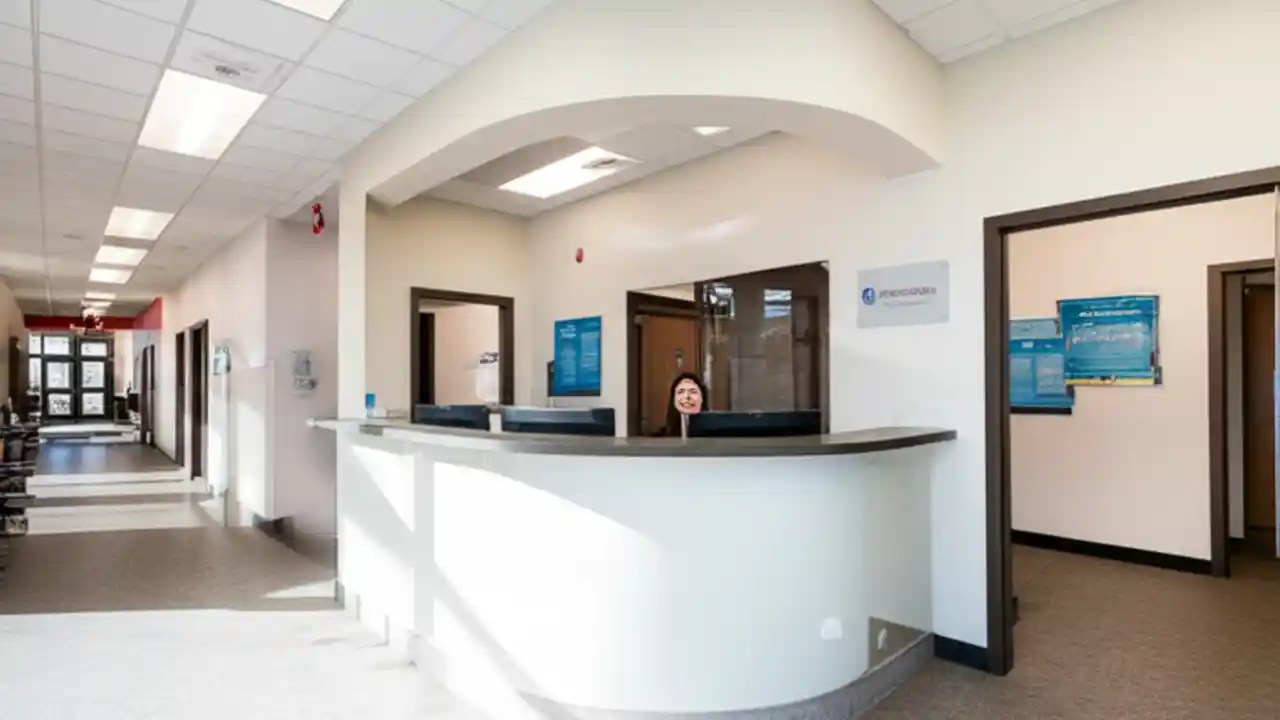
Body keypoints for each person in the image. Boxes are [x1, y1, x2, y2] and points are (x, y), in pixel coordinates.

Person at [663, 372, 708, 438]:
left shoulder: (716, 437)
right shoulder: (660, 441)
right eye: (681, 391)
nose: (686, 396)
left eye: (693, 391)